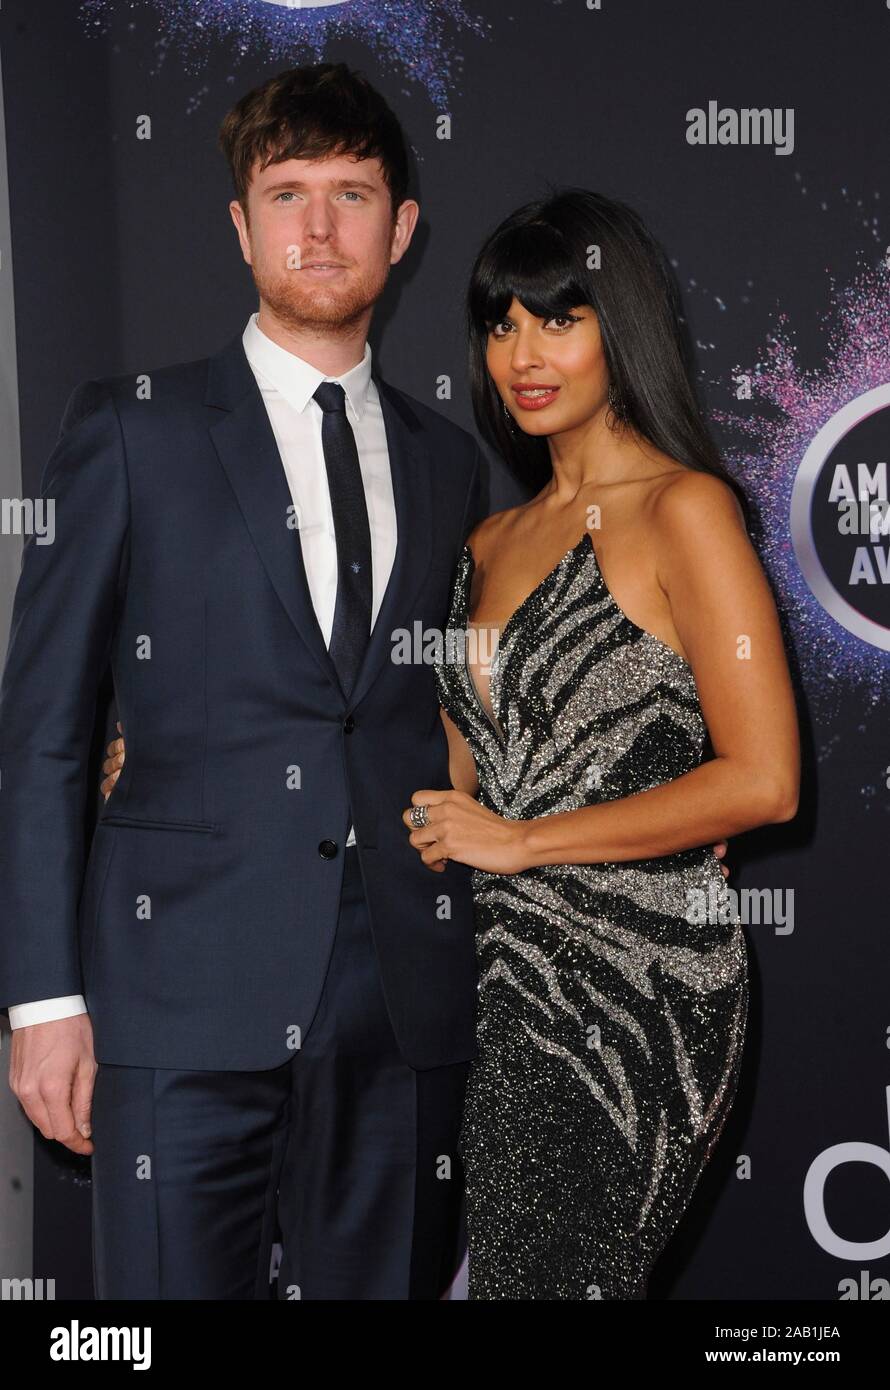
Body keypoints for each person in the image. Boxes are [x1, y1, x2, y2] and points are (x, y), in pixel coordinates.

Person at [0, 61, 487, 1300]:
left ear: (403, 228)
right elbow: (45, 732)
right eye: (285, 194)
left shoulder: (447, 463)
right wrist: (43, 1001)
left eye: (351, 194)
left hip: (400, 1014)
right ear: (239, 225)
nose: (318, 229)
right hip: (174, 1005)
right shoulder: (131, 427)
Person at [401, 189, 800, 1299]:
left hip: (630, 988)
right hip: (487, 980)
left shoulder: (684, 511)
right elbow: (454, 783)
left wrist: (528, 843)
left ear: (616, 325)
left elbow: (762, 781)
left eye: (557, 319)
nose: (522, 353)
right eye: (499, 324)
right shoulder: (484, 539)